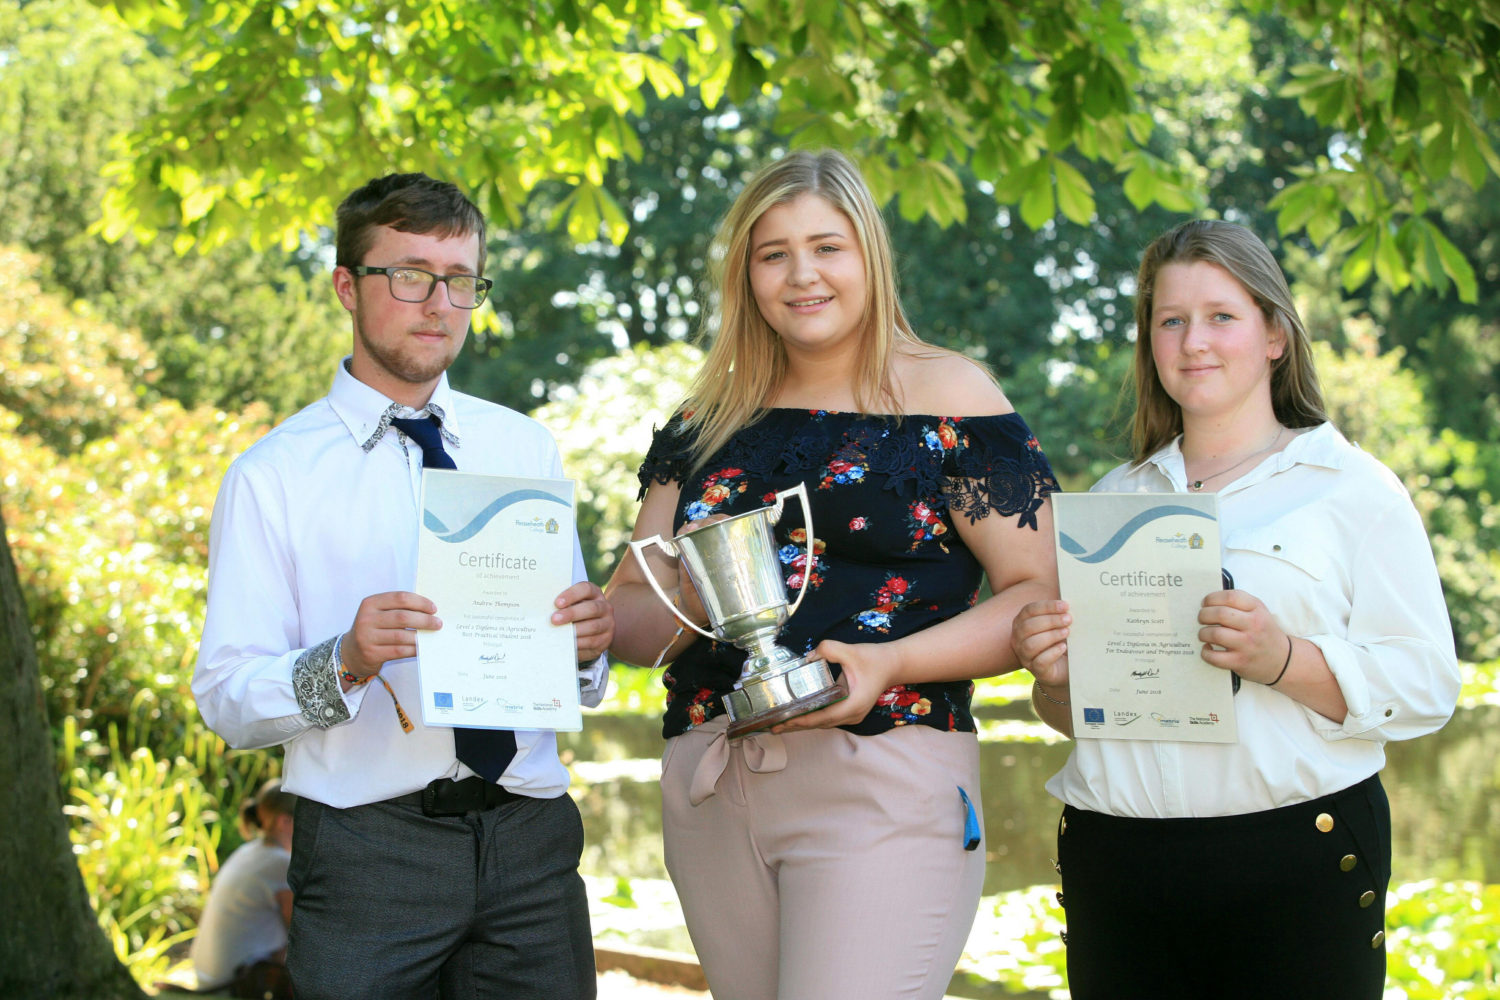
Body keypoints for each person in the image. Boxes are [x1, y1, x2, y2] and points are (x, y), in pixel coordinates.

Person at [605, 149, 1060, 1000]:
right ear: (747, 274)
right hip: (712, 781)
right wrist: (596, 623)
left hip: (883, 770)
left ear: (869, 259)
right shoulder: (706, 417)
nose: (801, 274)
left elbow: (1035, 598)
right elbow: (644, 603)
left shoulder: (950, 396)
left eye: (827, 247)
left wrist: (890, 663)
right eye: (773, 253)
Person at [1010, 219, 1462, 1000]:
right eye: (1170, 321)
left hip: (1296, 862)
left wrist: (1281, 659)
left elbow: (1425, 687)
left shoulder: (1352, 489)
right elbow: (1080, 715)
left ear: (1275, 335)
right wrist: (1053, 677)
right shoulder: (1116, 500)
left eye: (1221, 316)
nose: (1194, 342)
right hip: (1115, 864)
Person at [193, 172, 614, 1000]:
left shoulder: (525, 448)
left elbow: (574, 673)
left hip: (531, 842)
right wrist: (344, 660)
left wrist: (585, 645)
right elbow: (225, 697)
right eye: (411, 274)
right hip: (365, 853)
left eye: (462, 281)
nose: (438, 304)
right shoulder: (272, 476)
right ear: (347, 285)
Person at [189, 780, 297, 999]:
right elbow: (299, 930)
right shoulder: (280, 863)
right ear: (285, 821)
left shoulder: (249, 851)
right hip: (233, 985)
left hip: (208, 977)